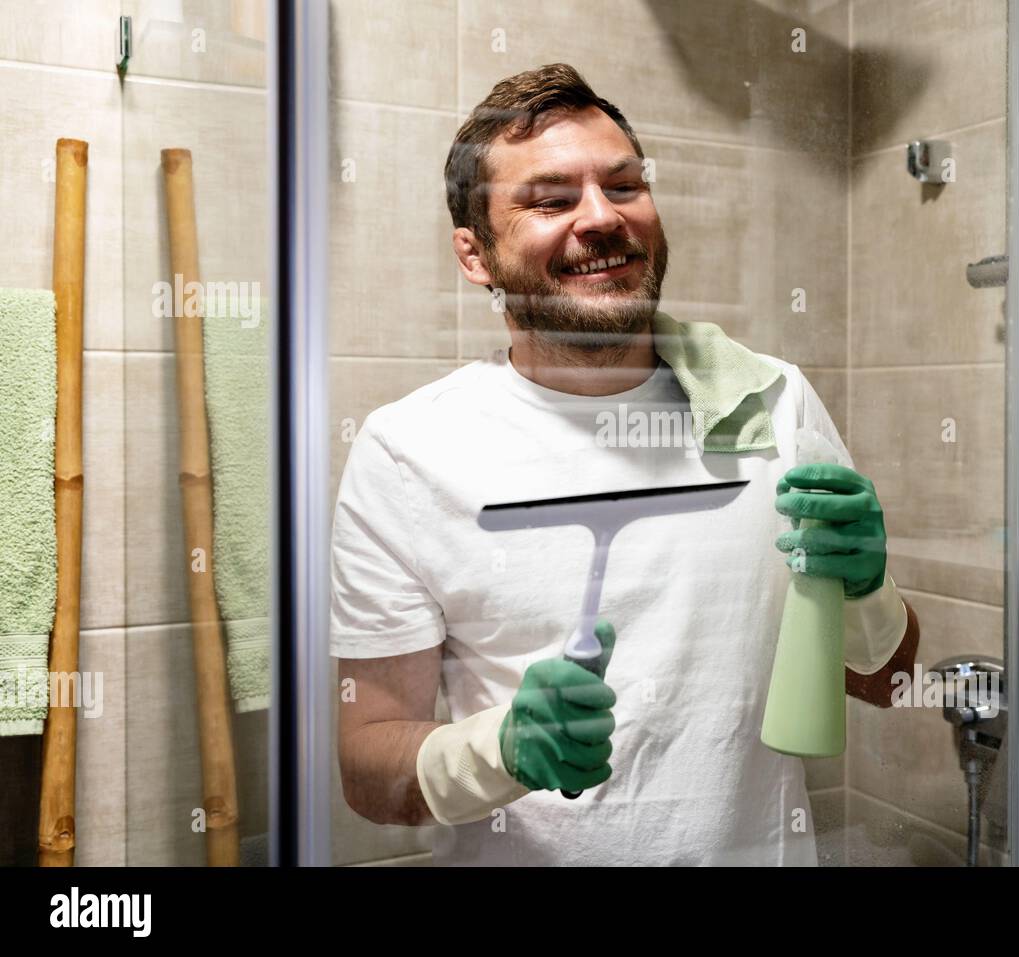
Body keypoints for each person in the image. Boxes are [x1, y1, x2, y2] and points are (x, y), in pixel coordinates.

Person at [330, 63, 920, 866]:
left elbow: (883, 681)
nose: (602, 217)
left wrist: (869, 590)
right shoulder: (409, 452)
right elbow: (368, 764)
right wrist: (501, 749)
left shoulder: (768, 402)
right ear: (475, 256)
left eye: (625, 185)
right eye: (551, 199)